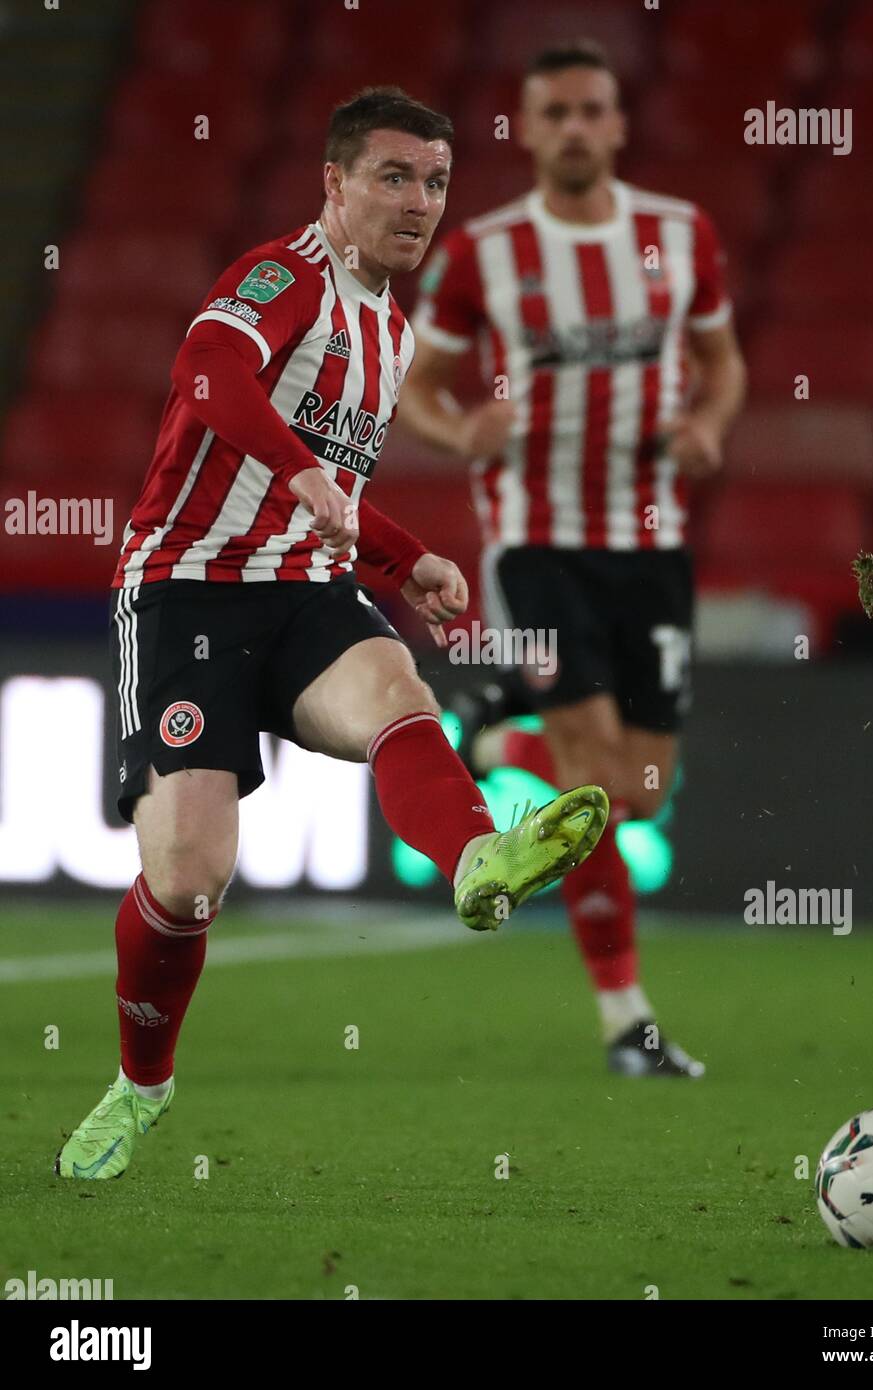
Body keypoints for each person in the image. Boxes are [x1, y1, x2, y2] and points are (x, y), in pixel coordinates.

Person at [56, 87, 608, 1181]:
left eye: (436, 182)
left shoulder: (389, 330)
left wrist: (412, 562)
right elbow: (205, 374)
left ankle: (476, 855)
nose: (417, 201)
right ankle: (141, 1084)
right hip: (190, 590)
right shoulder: (283, 277)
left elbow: (332, 498)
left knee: (397, 690)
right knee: (189, 877)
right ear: (335, 184)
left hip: (304, 588)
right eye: (393, 177)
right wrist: (307, 471)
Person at [397, 43, 746, 1077]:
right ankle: (625, 1023)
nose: (576, 129)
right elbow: (419, 381)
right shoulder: (482, 252)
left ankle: (498, 734)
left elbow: (722, 364)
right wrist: (460, 432)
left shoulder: (679, 236)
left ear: (619, 123)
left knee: (637, 792)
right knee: (595, 779)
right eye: (553, 114)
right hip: (537, 541)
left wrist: (710, 426)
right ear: (527, 129)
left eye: (592, 109)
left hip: (650, 546)